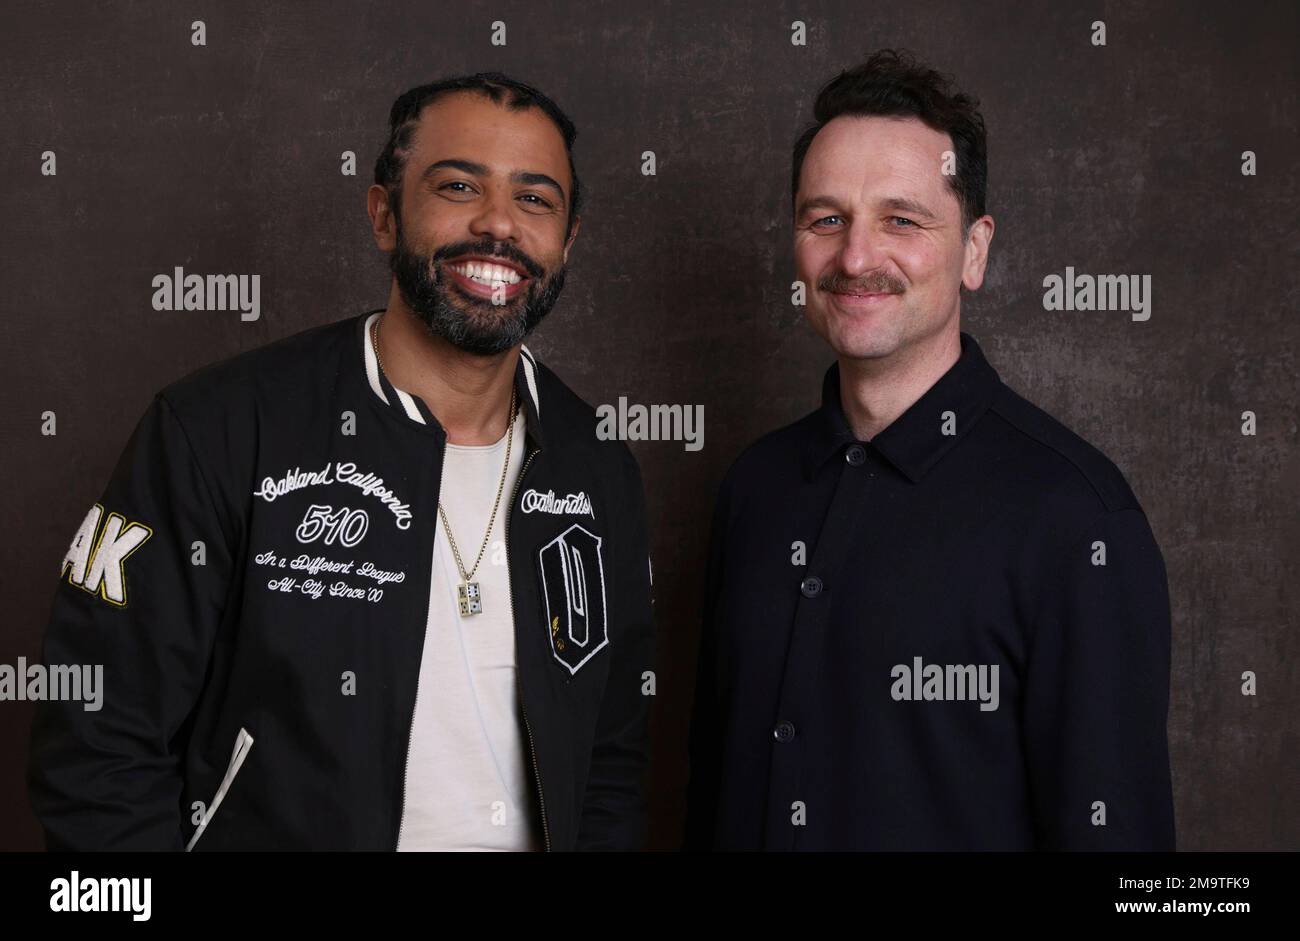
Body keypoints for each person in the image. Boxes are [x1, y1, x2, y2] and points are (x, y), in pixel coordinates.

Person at [30, 72, 655, 851]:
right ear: (385, 213)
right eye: (459, 184)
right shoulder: (217, 429)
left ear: (567, 240)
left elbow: (611, 764)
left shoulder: (597, 468)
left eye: (535, 199)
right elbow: (95, 746)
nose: (499, 224)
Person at [685, 50, 1175, 851]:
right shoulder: (755, 487)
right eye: (826, 218)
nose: (855, 258)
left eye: (901, 220)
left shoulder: (1077, 517)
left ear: (975, 250)